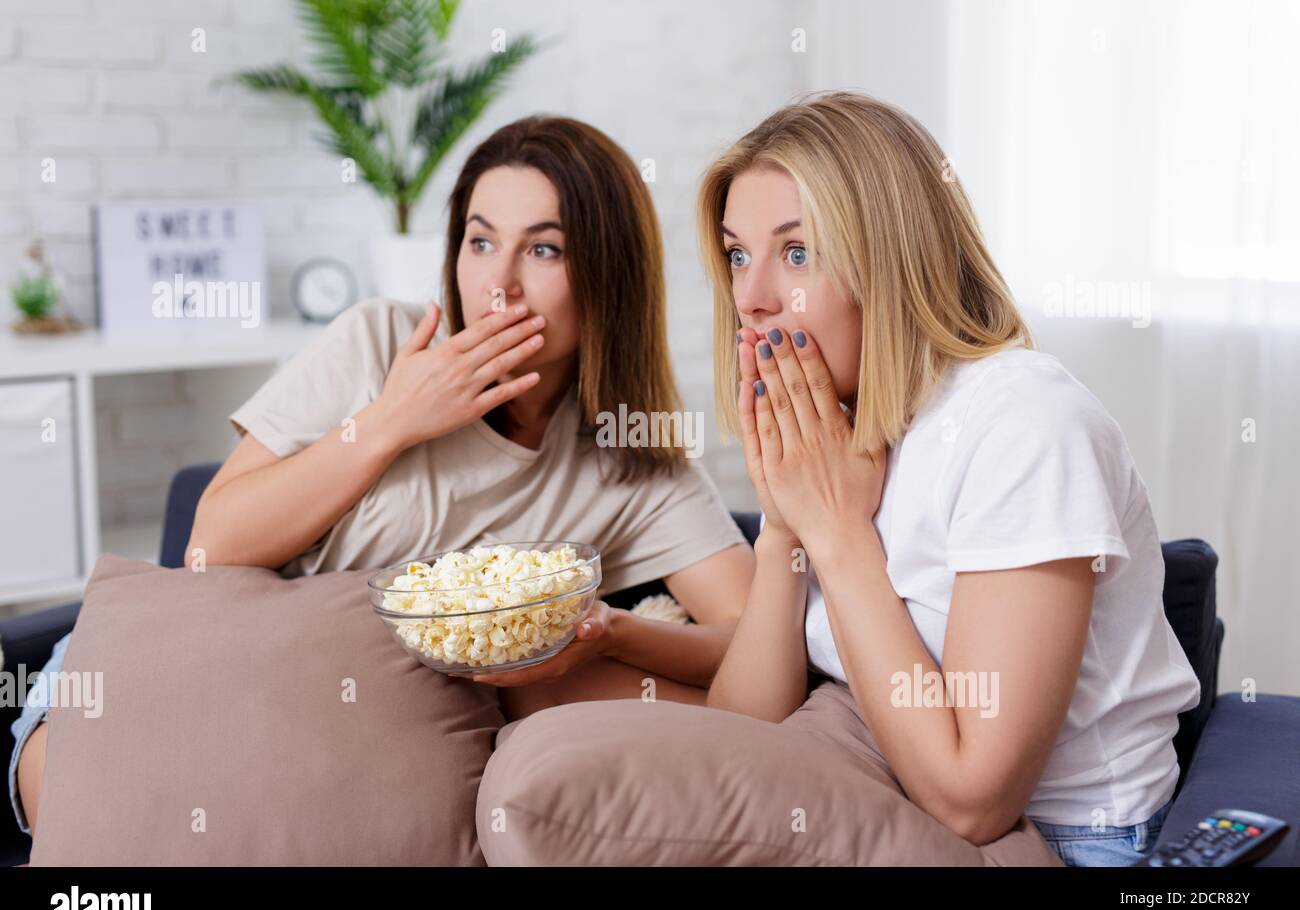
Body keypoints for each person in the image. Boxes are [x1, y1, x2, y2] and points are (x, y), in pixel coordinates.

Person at [10, 115, 755, 841]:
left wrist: (610, 632)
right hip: (163, 675)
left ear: (610, 277)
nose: (499, 285)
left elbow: (752, 641)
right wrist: (395, 419)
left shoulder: (630, 460)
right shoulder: (381, 342)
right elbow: (210, 546)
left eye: (545, 250)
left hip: (326, 746)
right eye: (480, 240)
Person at [699, 92, 1198, 866]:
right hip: (888, 790)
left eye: (797, 253)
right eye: (738, 254)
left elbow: (975, 800)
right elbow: (738, 737)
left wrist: (838, 536)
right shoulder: (840, 428)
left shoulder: (1025, 422)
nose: (752, 299)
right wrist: (786, 527)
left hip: (1072, 843)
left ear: (889, 261)